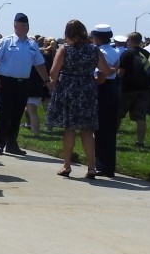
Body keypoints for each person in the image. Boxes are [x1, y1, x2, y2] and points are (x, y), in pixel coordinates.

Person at [46, 20, 111, 179]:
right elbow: (106, 71)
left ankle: (66, 165)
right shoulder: (94, 50)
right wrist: (99, 77)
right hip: (87, 88)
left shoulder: (65, 49)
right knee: (87, 130)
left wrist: (53, 83)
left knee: (69, 129)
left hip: (68, 88)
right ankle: (91, 167)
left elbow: (54, 72)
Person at [0, 12, 49, 157]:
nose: (26, 27)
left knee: (17, 114)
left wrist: (47, 81)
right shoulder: (6, 41)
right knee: (4, 114)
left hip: (23, 83)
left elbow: (39, 64)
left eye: (27, 25)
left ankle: (12, 144)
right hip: (6, 81)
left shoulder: (32, 44)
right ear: (15, 25)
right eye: (23, 25)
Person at [90, 24, 124, 177]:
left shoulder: (100, 52)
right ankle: (109, 165)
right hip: (113, 89)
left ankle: (102, 165)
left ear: (96, 37)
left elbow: (100, 76)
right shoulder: (115, 51)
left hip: (102, 88)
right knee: (109, 130)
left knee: (100, 130)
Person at [116, 32, 150, 150]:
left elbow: (120, 73)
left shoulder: (126, 54)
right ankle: (140, 142)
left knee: (118, 116)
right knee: (141, 118)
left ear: (129, 40)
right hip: (144, 89)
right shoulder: (147, 53)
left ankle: (112, 138)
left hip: (127, 89)